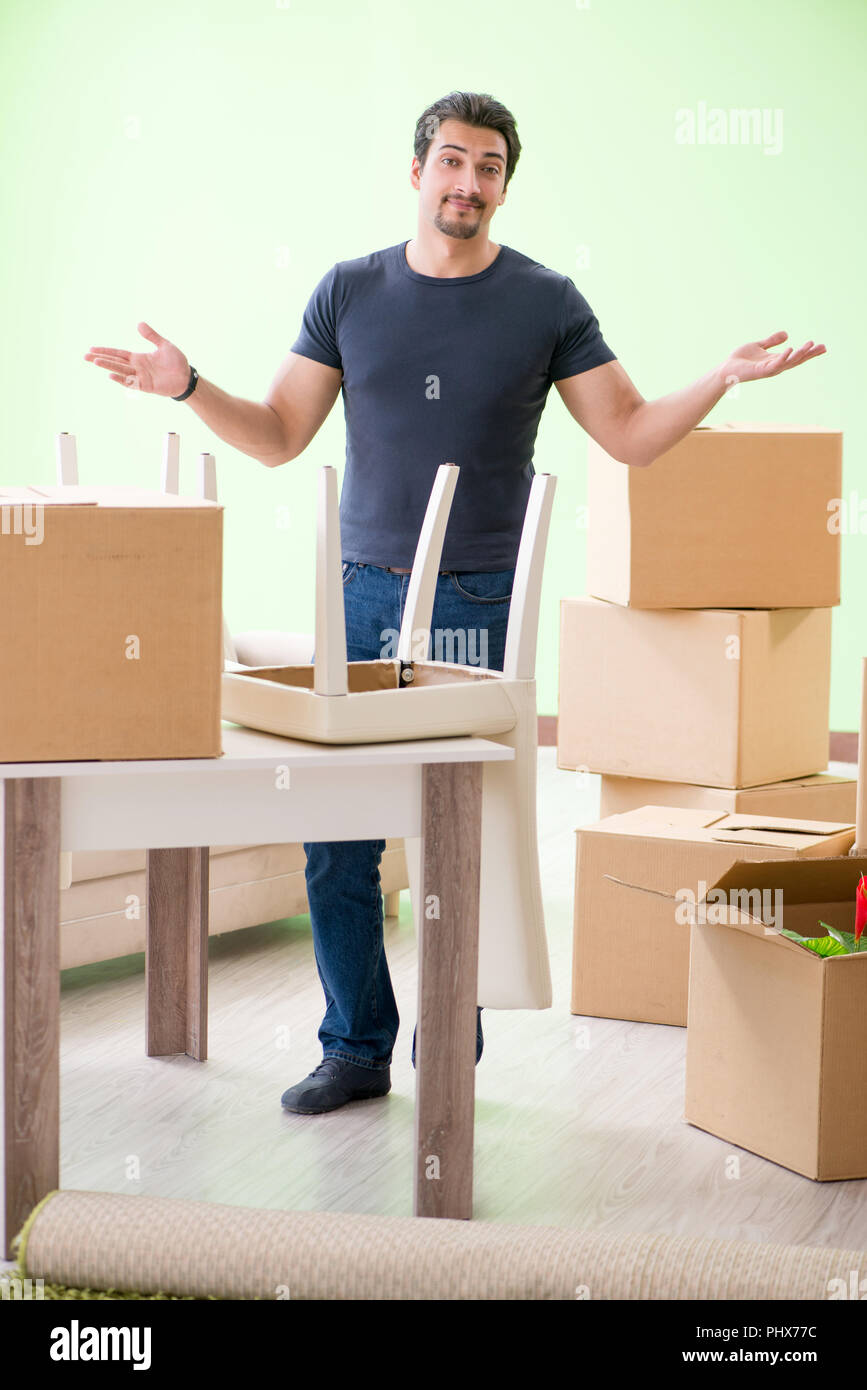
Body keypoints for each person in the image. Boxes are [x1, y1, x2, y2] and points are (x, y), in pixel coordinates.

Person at [84, 89, 826, 1115]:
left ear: (504, 185)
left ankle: (450, 1041)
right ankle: (354, 1046)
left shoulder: (546, 301)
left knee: (453, 833)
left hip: (476, 601)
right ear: (418, 171)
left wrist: (721, 378)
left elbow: (634, 434)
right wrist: (185, 385)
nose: (468, 181)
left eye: (488, 167)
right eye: (451, 161)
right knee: (336, 837)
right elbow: (276, 434)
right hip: (357, 597)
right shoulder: (349, 291)